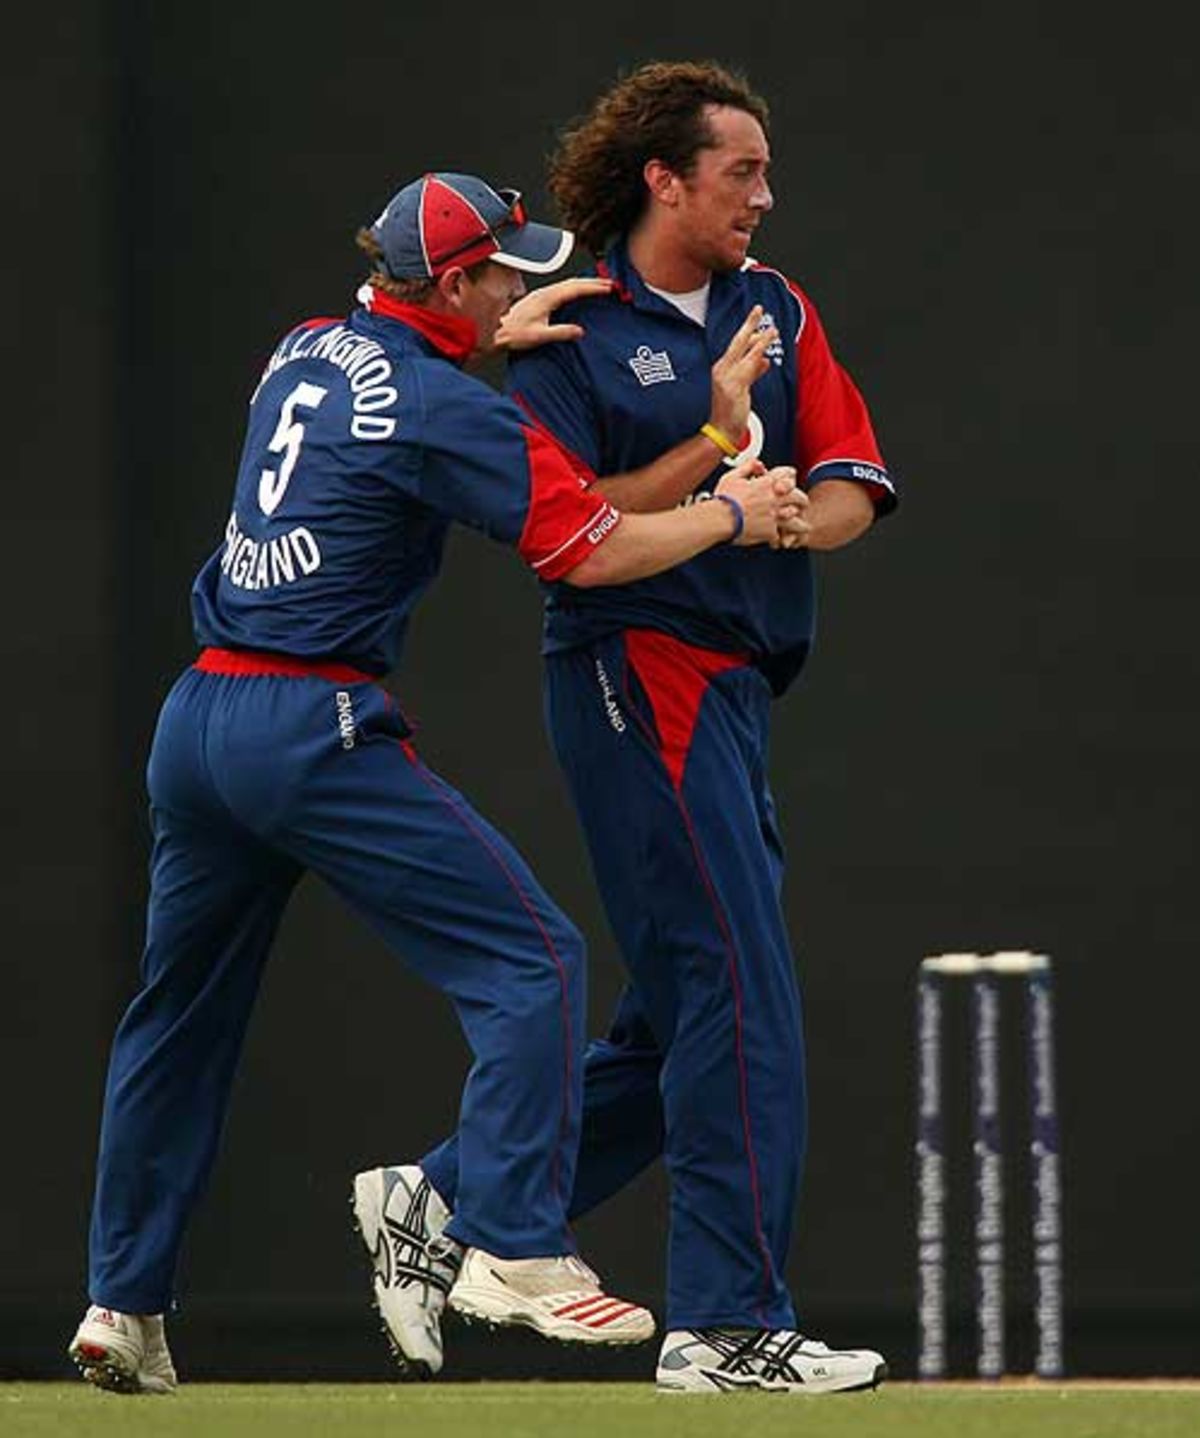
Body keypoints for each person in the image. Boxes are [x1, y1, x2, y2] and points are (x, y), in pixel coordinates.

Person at [67, 169, 800, 1395]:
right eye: (504, 273)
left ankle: (119, 1302)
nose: (522, 286)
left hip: (195, 721)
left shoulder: (302, 347)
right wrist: (732, 511)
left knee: (175, 1021)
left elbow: (381, 372)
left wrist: (485, 337)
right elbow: (595, 550)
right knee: (535, 961)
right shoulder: (442, 408)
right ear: (452, 285)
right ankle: (510, 1244)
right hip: (309, 724)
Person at [405, 65, 899, 1394]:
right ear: (664, 179)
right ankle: (725, 1325)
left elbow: (850, 486)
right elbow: (573, 524)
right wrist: (721, 462)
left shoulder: (776, 305)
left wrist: (784, 520)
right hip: (635, 667)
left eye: (765, 170)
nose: (765, 195)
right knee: (739, 994)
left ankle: (446, 1199)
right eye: (741, 170)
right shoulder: (569, 325)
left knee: (683, 1009)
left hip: (735, 689)